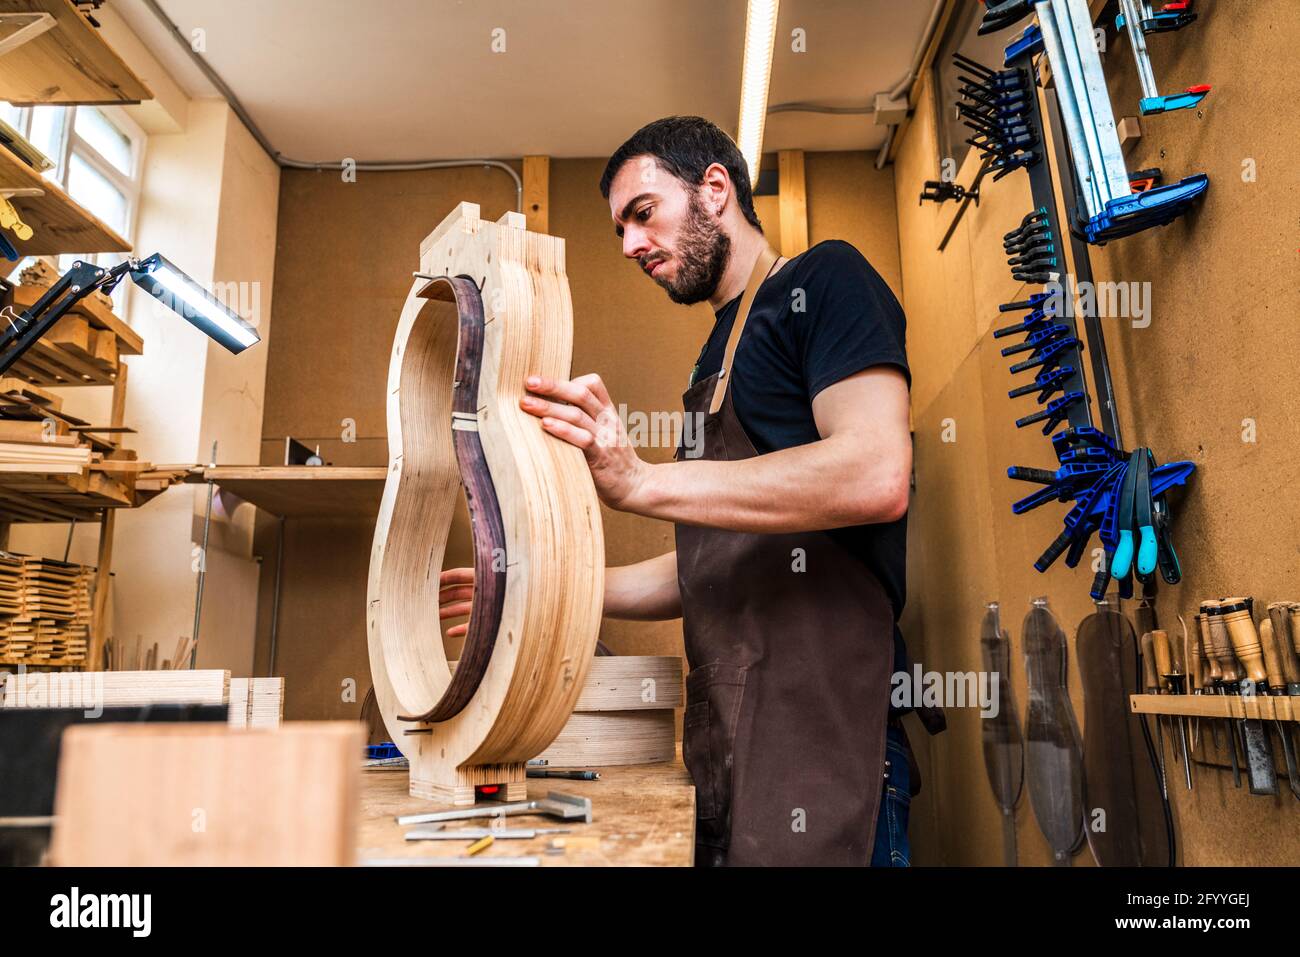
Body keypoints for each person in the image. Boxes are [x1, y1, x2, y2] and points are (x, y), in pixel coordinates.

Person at [440, 116, 935, 866]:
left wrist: (640, 480)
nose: (632, 245)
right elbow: (707, 565)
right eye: (620, 231)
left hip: (826, 746)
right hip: (732, 753)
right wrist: (540, 587)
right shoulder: (711, 358)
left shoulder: (823, 281)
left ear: (714, 188)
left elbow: (873, 473)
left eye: (643, 214)